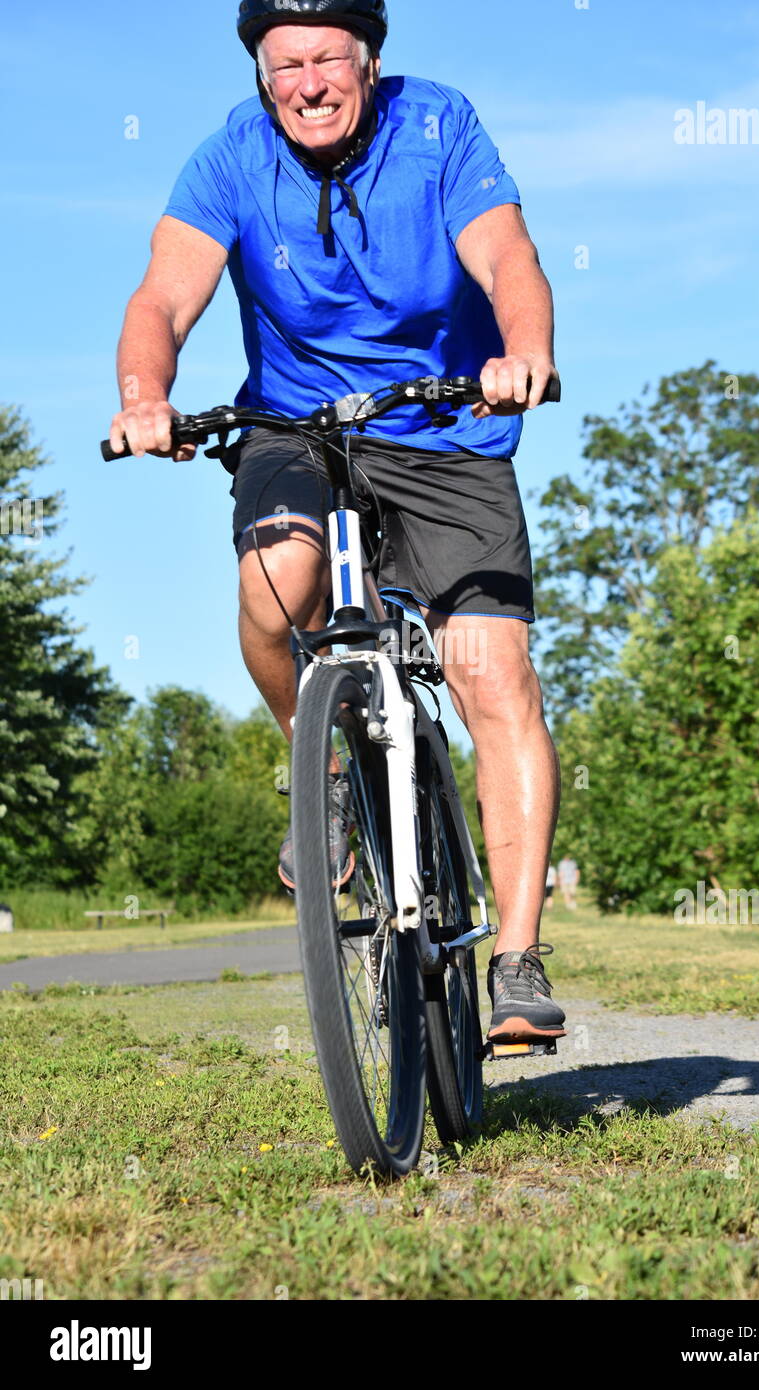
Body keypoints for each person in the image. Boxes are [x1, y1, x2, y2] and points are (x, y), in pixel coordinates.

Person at [108, 0, 565, 1045]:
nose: (306, 84)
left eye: (325, 59)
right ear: (260, 74)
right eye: (284, 65)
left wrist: (520, 352)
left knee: (491, 674)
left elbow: (509, 260)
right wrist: (145, 396)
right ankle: (317, 770)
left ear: (367, 60)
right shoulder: (229, 155)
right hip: (293, 426)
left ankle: (517, 957)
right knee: (278, 578)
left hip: (444, 424)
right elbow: (163, 300)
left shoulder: (438, 126)